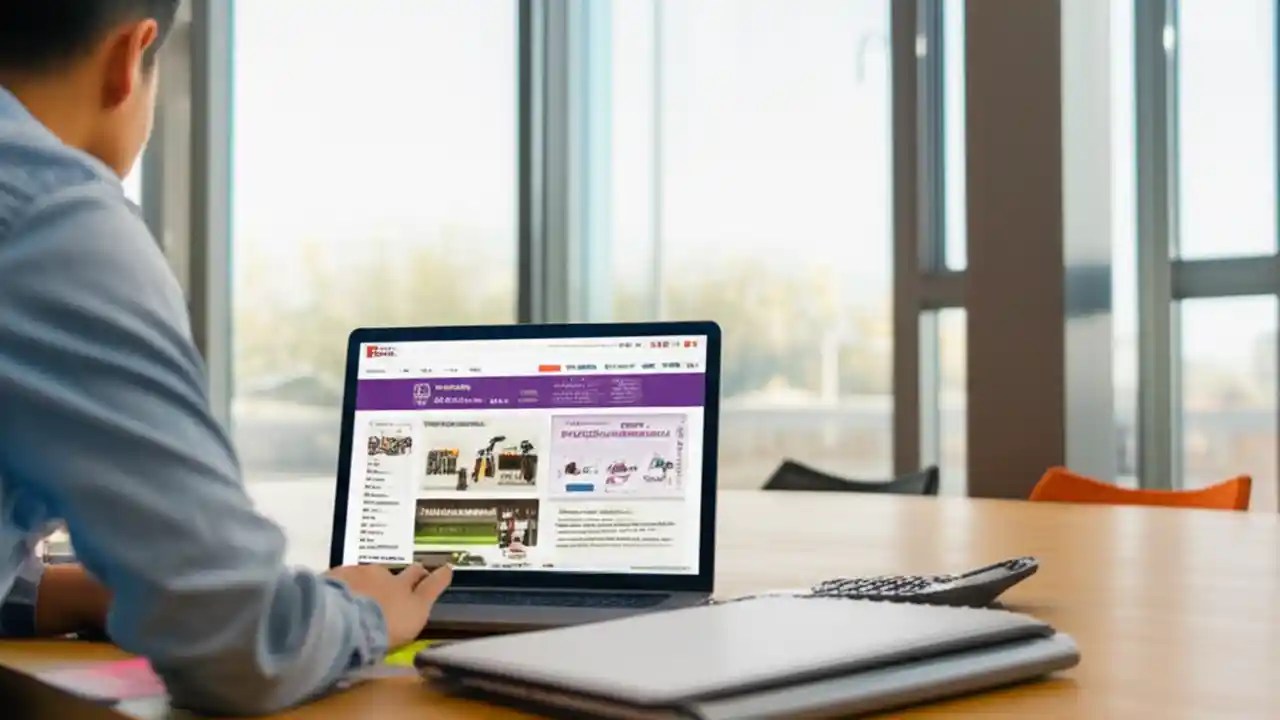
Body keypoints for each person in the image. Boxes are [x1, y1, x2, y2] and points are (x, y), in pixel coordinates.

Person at [0, 1, 452, 714]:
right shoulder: (51, 217)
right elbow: (239, 648)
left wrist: (61, 590)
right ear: (130, 57)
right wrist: (363, 616)